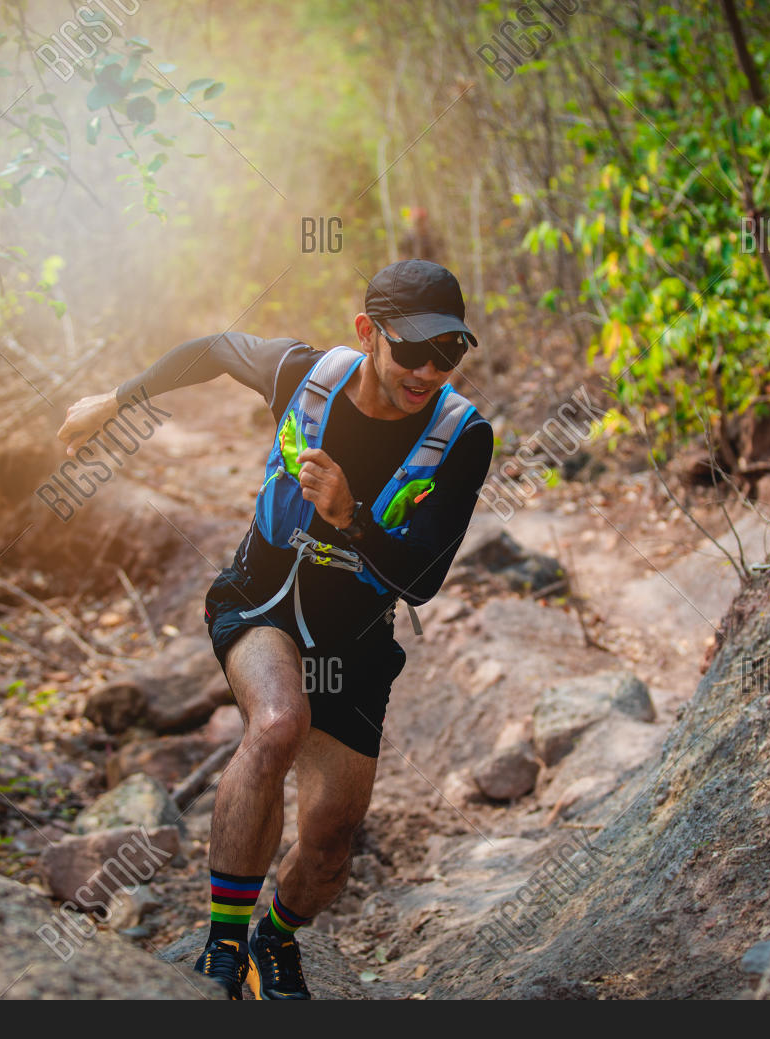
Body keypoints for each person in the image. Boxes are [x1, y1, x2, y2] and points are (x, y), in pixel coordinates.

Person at [56, 260, 493, 998]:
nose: (428, 369)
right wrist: (118, 400)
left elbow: (422, 580)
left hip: (354, 641)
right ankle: (224, 949)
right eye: (411, 350)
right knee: (279, 722)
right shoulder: (305, 374)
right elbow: (218, 348)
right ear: (367, 333)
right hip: (257, 601)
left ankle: (275, 938)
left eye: (447, 352)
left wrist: (352, 519)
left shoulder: (463, 438)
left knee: (329, 842)